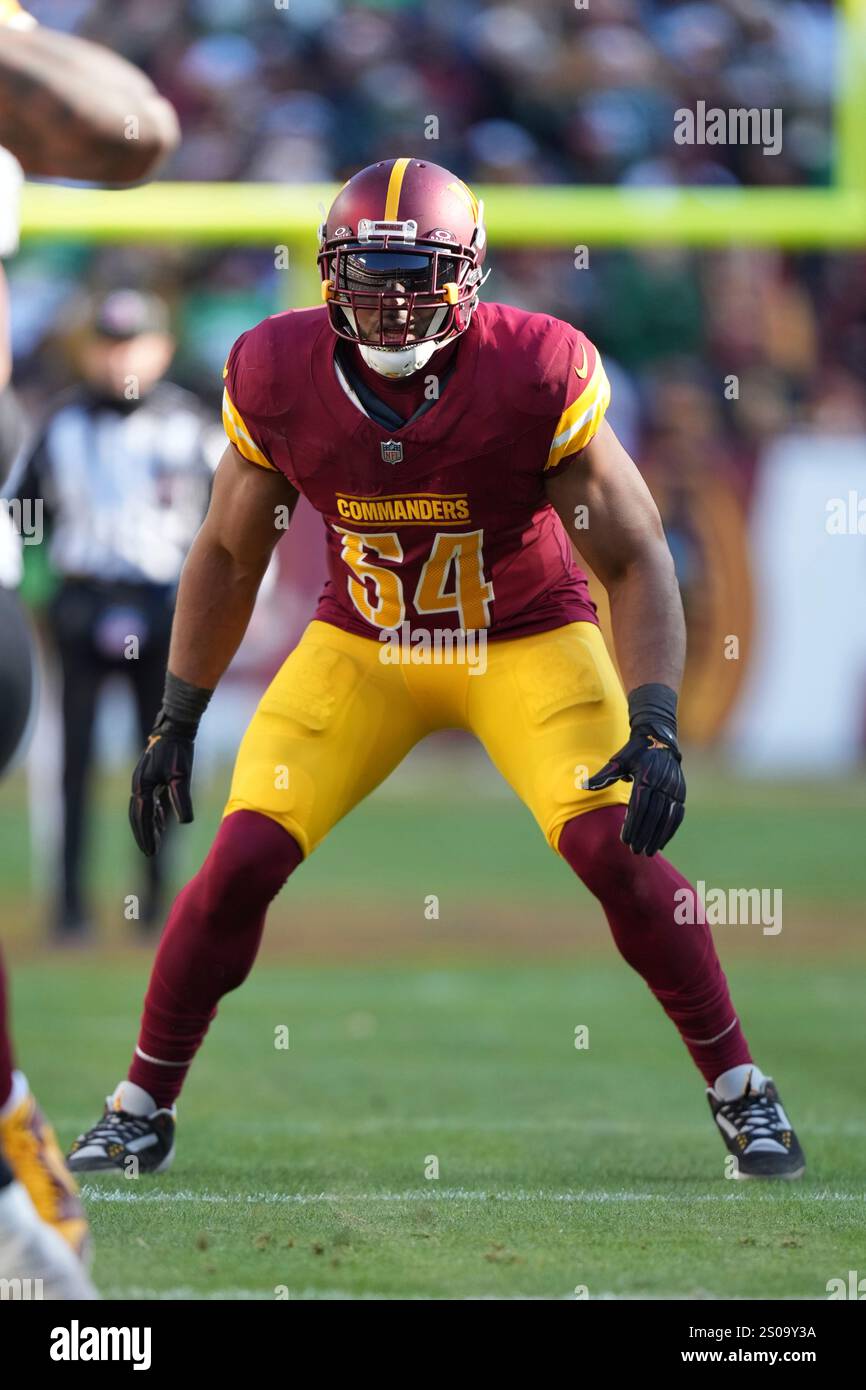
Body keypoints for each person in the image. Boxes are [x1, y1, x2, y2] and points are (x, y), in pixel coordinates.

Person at [67, 157, 804, 1184]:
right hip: (360, 648)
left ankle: (741, 1093)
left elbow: (634, 558)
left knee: (616, 855)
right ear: (327, 277)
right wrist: (175, 718)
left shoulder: (535, 370)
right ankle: (138, 1107)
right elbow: (229, 554)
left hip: (526, 640)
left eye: (417, 274)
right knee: (238, 864)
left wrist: (656, 718)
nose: (391, 300)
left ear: (469, 276)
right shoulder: (275, 372)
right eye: (367, 275)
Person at [0, 0, 178, 1298]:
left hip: (106, 595)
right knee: (72, 782)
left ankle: (14, 1164)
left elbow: (131, 128)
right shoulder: (60, 416)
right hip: (60, 595)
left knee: (142, 770)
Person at [14, 289, 217, 939]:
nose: (122, 358)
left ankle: (157, 902)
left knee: (158, 757)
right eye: (110, 344)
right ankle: (68, 904)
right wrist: (37, 591)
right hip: (82, 599)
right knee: (70, 762)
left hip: (163, 607)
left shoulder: (194, 429)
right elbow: (23, 516)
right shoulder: (60, 425)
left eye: (137, 343)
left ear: (163, 348)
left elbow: (230, 526)